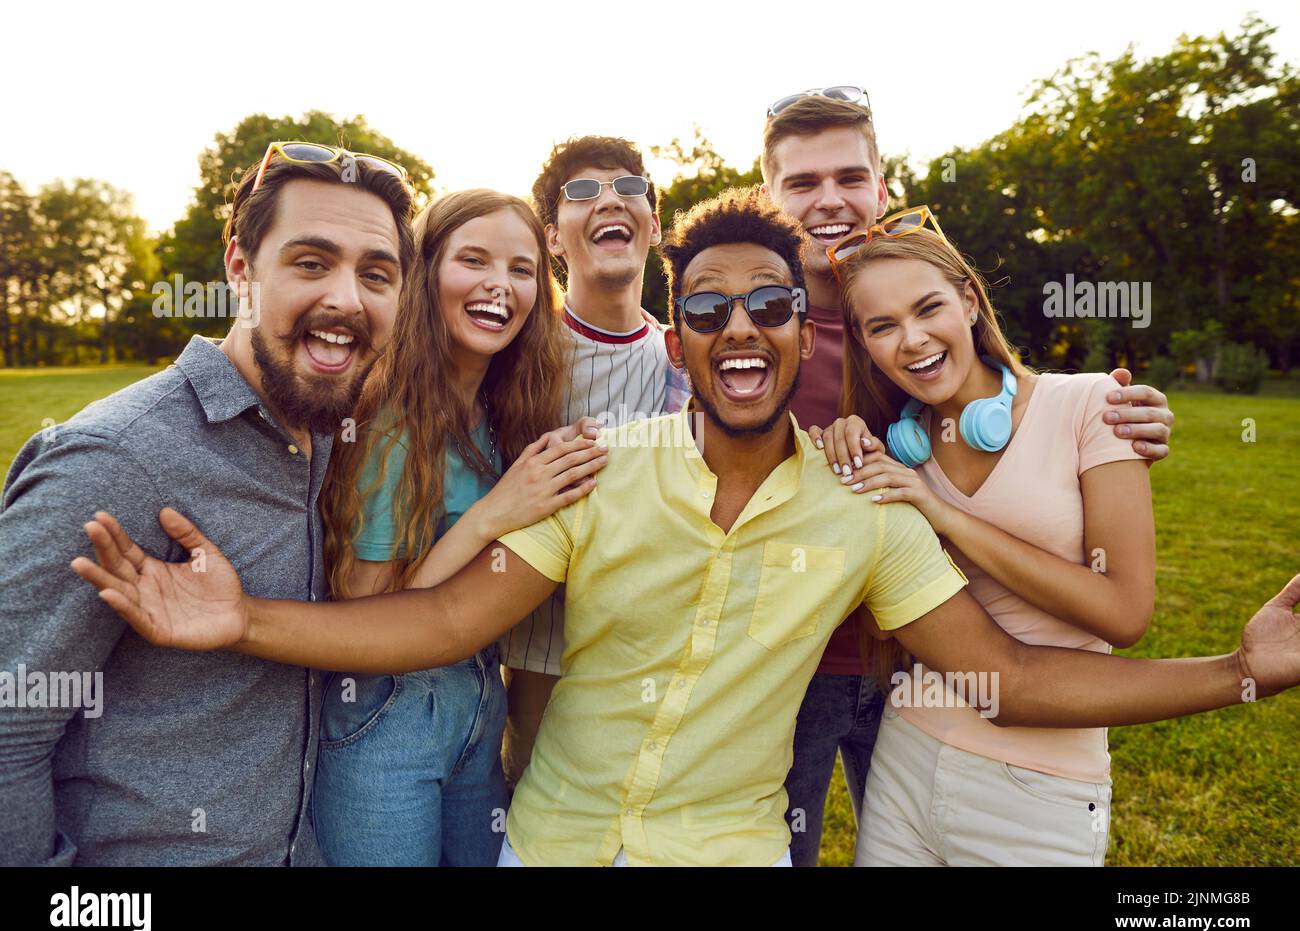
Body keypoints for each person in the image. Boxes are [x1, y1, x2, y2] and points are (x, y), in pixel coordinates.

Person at [69, 188, 1300, 868]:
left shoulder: (865, 500)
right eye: (708, 307)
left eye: (772, 301)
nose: (741, 327)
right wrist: (247, 620)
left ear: (802, 330)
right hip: (546, 848)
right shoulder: (597, 471)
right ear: (679, 334)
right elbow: (445, 615)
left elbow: (1019, 676)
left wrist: (1240, 676)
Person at [758, 88, 1178, 865]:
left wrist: (1121, 419)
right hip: (802, 665)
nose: (830, 200)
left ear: (882, 187)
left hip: (926, 658)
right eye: (802, 183)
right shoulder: (752, 326)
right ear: (771, 197)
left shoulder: (917, 303)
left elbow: (1009, 396)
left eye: (850, 177)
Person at [0, 140, 416, 864]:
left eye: (375, 274)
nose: (347, 298)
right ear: (239, 269)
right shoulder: (117, 458)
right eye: (311, 263)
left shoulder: (325, 438)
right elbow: (9, 729)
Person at [814, 205, 1155, 864]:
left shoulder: (1093, 405)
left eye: (928, 308)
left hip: (1042, 789)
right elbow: (888, 625)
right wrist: (841, 457)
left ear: (969, 300)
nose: (911, 340)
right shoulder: (896, 452)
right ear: (864, 343)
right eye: (882, 326)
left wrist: (945, 519)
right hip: (905, 760)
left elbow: (1124, 612)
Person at [309, 188, 605, 865]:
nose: (499, 285)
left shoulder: (502, 409)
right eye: (474, 260)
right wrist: (496, 513)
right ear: (426, 272)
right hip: (388, 715)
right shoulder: (389, 419)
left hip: (479, 697)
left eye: (522, 269)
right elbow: (363, 612)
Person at [499, 136, 687, 789]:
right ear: (552, 237)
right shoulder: (518, 355)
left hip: (658, 655)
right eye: (582, 193)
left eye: (627, 189)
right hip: (541, 658)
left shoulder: (685, 356)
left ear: (654, 225)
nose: (609, 199)